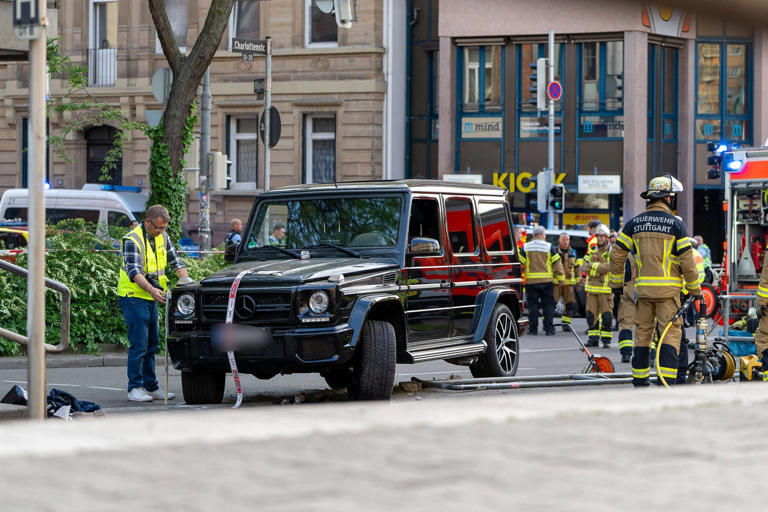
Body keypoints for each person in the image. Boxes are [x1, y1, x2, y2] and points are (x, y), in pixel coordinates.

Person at [609, 173, 701, 387]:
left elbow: (617, 254)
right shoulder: (676, 225)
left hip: (642, 292)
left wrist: (616, 285)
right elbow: (687, 261)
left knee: (642, 334)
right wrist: (695, 291)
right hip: (668, 294)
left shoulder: (634, 224)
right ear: (668, 198)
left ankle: (640, 381)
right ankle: (665, 381)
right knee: (669, 335)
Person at [117, 204, 189, 402]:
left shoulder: (163, 238)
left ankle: (151, 386)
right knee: (139, 344)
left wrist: (186, 281)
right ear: (147, 221)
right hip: (133, 296)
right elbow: (134, 272)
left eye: (163, 228)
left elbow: (176, 262)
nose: (160, 232)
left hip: (152, 296)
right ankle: (134, 388)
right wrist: (152, 289)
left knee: (152, 344)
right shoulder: (132, 239)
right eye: (157, 227)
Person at [519, 226, 564, 336]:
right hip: (547, 282)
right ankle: (549, 329)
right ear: (543, 235)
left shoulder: (526, 247)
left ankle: (533, 329)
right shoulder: (549, 246)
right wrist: (561, 279)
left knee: (533, 306)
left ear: (534, 235)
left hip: (531, 283)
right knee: (548, 306)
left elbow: (520, 263)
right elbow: (557, 264)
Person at [581, 224, 613, 348]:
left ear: (607, 238)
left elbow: (610, 267)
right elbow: (584, 266)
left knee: (606, 316)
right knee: (591, 315)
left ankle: (606, 339)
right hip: (592, 289)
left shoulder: (611, 251)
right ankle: (593, 339)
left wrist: (593, 267)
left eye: (603, 236)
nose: (600, 238)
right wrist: (598, 271)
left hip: (606, 290)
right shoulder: (592, 249)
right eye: (598, 236)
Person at [554, 232, 578, 331]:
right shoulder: (554, 251)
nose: (566, 242)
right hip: (556, 283)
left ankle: (566, 324)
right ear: (559, 240)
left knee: (570, 304)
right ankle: (548, 324)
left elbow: (576, 267)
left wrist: (578, 280)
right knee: (551, 303)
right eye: (564, 239)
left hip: (569, 284)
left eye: (567, 240)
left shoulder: (573, 252)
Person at [617, 252, 637, 362]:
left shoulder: (624, 253)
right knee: (647, 325)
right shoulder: (646, 249)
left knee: (626, 323)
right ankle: (650, 356)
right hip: (645, 290)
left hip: (628, 289)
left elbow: (617, 271)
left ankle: (626, 354)